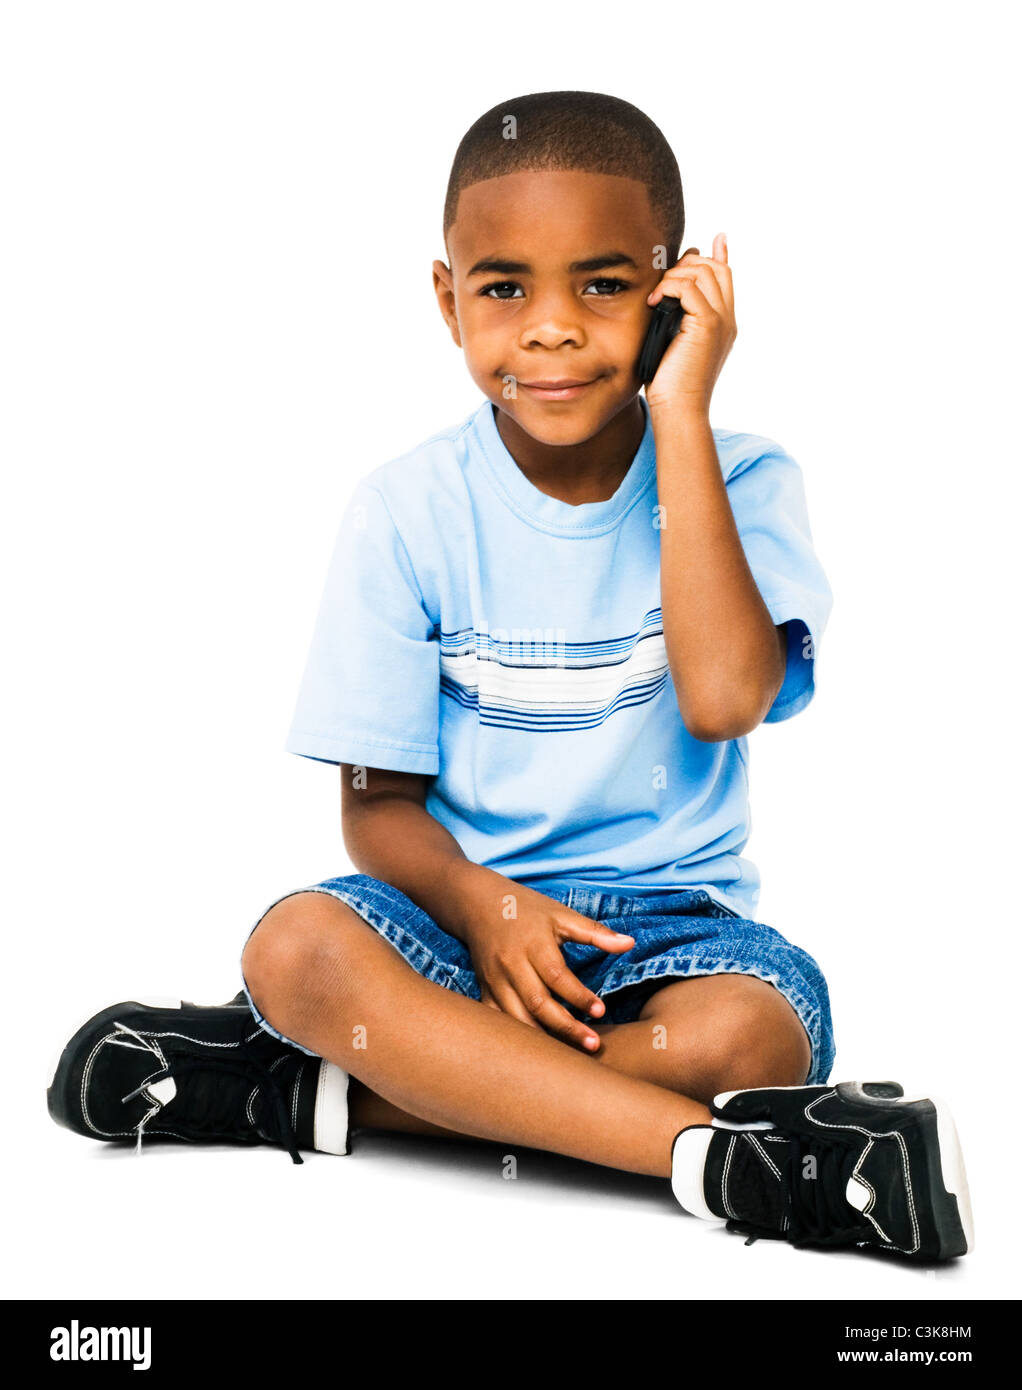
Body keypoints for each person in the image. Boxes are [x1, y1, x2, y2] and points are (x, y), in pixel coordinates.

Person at [48, 90, 973, 1261]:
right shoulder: (405, 511)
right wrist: (483, 911)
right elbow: (376, 809)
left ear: (672, 293)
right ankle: (720, 1160)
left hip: (663, 942)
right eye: (502, 289)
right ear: (446, 300)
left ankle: (310, 1093)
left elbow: (724, 699)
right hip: (449, 919)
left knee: (751, 1043)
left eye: (601, 285)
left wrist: (679, 409)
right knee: (293, 953)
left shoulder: (742, 480)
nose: (548, 330)